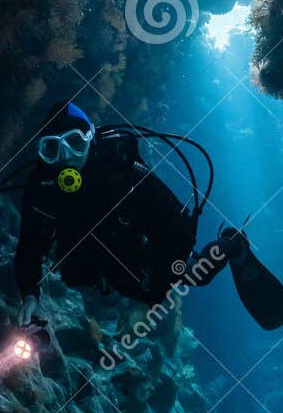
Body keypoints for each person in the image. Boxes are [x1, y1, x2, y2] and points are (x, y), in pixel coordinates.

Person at [14, 100, 231, 328]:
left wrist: (149, 301)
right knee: (94, 276)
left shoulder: (123, 169)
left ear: (91, 138)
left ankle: (231, 244)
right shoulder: (41, 186)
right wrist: (29, 295)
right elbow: (29, 245)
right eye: (52, 148)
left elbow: (177, 228)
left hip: (143, 254)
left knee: (197, 273)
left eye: (75, 142)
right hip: (98, 266)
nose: (66, 156)